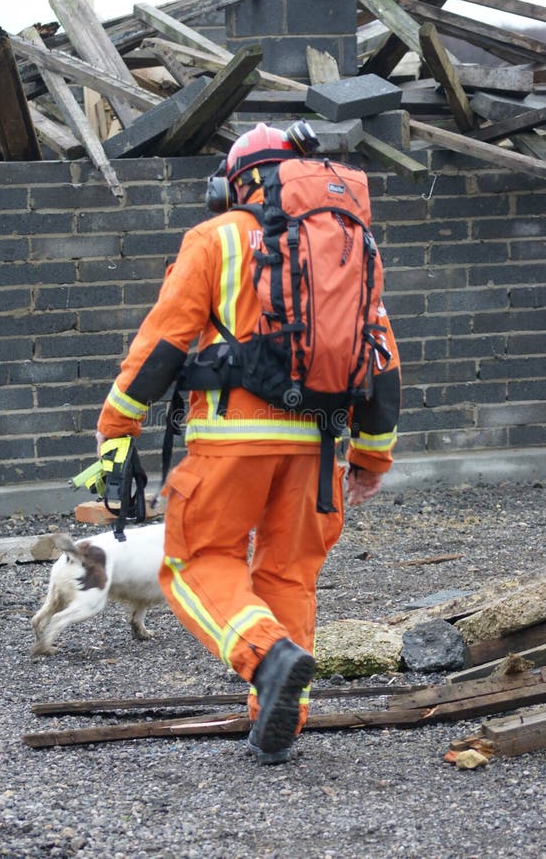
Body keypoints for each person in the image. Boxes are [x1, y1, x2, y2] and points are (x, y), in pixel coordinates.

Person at [96, 123, 401, 765]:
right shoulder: (347, 242)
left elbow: (163, 346)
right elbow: (382, 361)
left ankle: (266, 656)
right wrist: (370, 458)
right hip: (319, 449)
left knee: (194, 559)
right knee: (289, 574)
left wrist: (116, 429)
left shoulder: (216, 239)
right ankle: (279, 722)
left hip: (232, 440)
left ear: (230, 185)